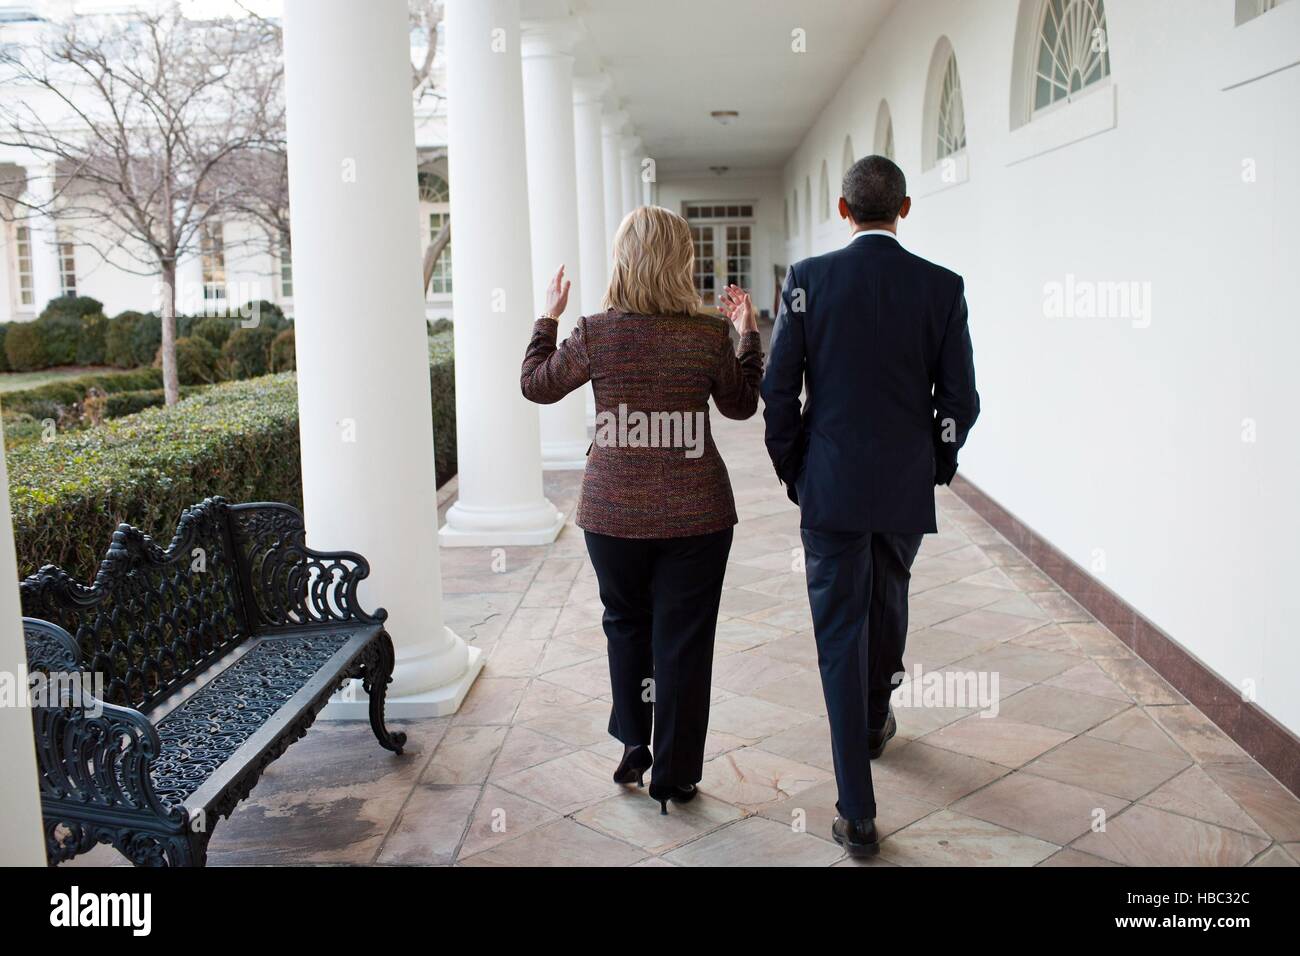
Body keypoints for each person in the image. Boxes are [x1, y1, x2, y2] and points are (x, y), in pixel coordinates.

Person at [761, 155, 979, 856]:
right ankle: (876, 715)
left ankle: (856, 810)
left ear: (843, 209)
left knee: (838, 639)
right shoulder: (941, 287)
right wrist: (936, 465)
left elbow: (777, 392)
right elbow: (961, 401)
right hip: (901, 485)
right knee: (889, 601)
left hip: (832, 486)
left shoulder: (808, 282)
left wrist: (795, 468)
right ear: (905, 209)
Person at [521, 204, 763, 814]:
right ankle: (676, 775)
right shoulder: (707, 334)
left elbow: (537, 384)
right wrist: (747, 335)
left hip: (614, 514)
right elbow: (740, 406)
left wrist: (546, 319)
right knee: (684, 640)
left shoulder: (597, 332)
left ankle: (635, 739)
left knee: (625, 623)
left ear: (624, 260)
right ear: (683, 262)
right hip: (697, 515)